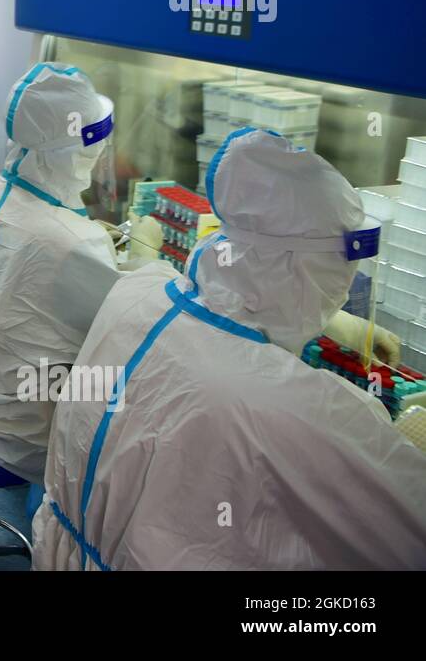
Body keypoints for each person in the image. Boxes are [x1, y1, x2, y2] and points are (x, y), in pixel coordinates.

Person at [35, 128, 426, 569]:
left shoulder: (139, 292)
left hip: (62, 551)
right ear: (303, 269)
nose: (344, 283)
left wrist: (337, 324)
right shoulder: (292, 404)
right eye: (340, 270)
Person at [0, 63, 161, 483]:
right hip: (17, 432)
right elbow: (123, 323)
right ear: (80, 153)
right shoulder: (70, 241)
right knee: (148, 400)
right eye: (95, 147)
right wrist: (151, 261)